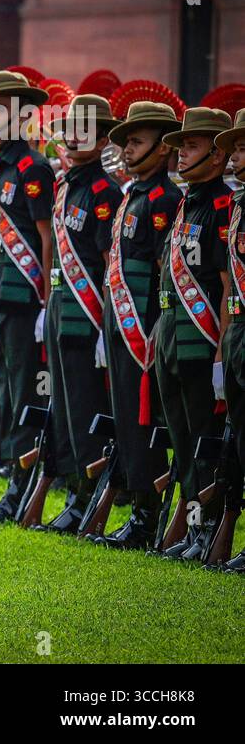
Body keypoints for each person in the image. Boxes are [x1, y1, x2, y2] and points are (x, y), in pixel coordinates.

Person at [91, 100, 183, 549]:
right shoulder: (133, 195)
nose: (128, 150)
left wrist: (145, 329)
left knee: (145, 420)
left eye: (138, 142)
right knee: (127, 416)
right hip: (121, 323)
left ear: (164, 148)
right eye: (126, 142)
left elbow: (168, 270)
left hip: (144, 328)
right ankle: (138, 506)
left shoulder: (165, 199)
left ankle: (148, 519)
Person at [0, 71, 55, 522]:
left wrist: (45, 299)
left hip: (23, 293)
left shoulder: (33, 168)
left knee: (22, 392)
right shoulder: (1, 167)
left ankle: (23, 486)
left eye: (8, 110)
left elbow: (46, 238)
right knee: (1, 386)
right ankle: (9, 475)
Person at [33, 95, 125, 532]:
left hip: (88, 314)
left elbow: (111, 264)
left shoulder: (107, 191)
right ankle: (73, 491)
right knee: (64, 409)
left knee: (85, 408)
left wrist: (108, 323)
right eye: (70, 128)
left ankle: (89, 495)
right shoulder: (66, 185)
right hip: (61, 309)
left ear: (104, 139)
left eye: (85, 130)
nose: (73, 137)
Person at [151, 106, 233, 561]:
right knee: (181, 440)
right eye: (181, 146)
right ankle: (191, 529)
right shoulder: (187, 203)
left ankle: (208, 531)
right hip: (170, 335)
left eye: (194, 146)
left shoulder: (222, 205)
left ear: (217, 157)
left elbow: (225, 283)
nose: (182, 154)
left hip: (201, 341)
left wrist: (220, 353)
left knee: (203, 440)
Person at [215, 108, 245, 571]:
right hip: (239, 328)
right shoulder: (238, 204)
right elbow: (226, 285)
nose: (236, 156)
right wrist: (223, 349)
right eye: (235, 147)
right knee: (239, 438)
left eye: (244, 147)